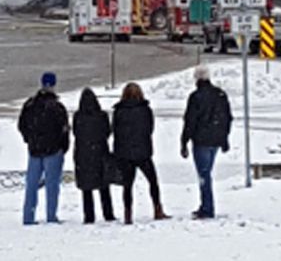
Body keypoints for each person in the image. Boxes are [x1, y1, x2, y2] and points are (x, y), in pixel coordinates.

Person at [180, 64, 232, 220]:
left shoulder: (196, 97)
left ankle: (207, 207)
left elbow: (190, 121)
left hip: (201, 140)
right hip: (216, 140)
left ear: (196, 79)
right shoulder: (220, 95)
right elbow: (227, 118)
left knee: (204, 174)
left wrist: (184, 141)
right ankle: (206, 205)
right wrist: (224, 138)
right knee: (206, 172)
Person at [113, 82, 169, 224]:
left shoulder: (119, 110)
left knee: (127, 185)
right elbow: (150, 128)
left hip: (125, 153)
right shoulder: (145, 110)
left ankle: (128, 213)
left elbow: (115, 130)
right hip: (143, 152)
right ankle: (157, 208)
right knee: (153, 181)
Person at [18, 72, 69, 225]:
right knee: (52, 185)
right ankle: (51, 215)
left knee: (32, 185)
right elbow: (64, 129)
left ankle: (28, 216)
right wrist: (63, 147)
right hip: (53, 150)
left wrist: (29, 139)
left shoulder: (30, 105)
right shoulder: (57, 107)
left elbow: (22, 125)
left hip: (34, 150)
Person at [73, 88, 116, 224]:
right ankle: (108, 213)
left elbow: (76, 132)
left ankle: (89, 215)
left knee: (86, 188)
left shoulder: (78, 116)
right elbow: (107, 132)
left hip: (83, 154)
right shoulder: (102, 116)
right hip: (100, 152)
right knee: (103, 185)